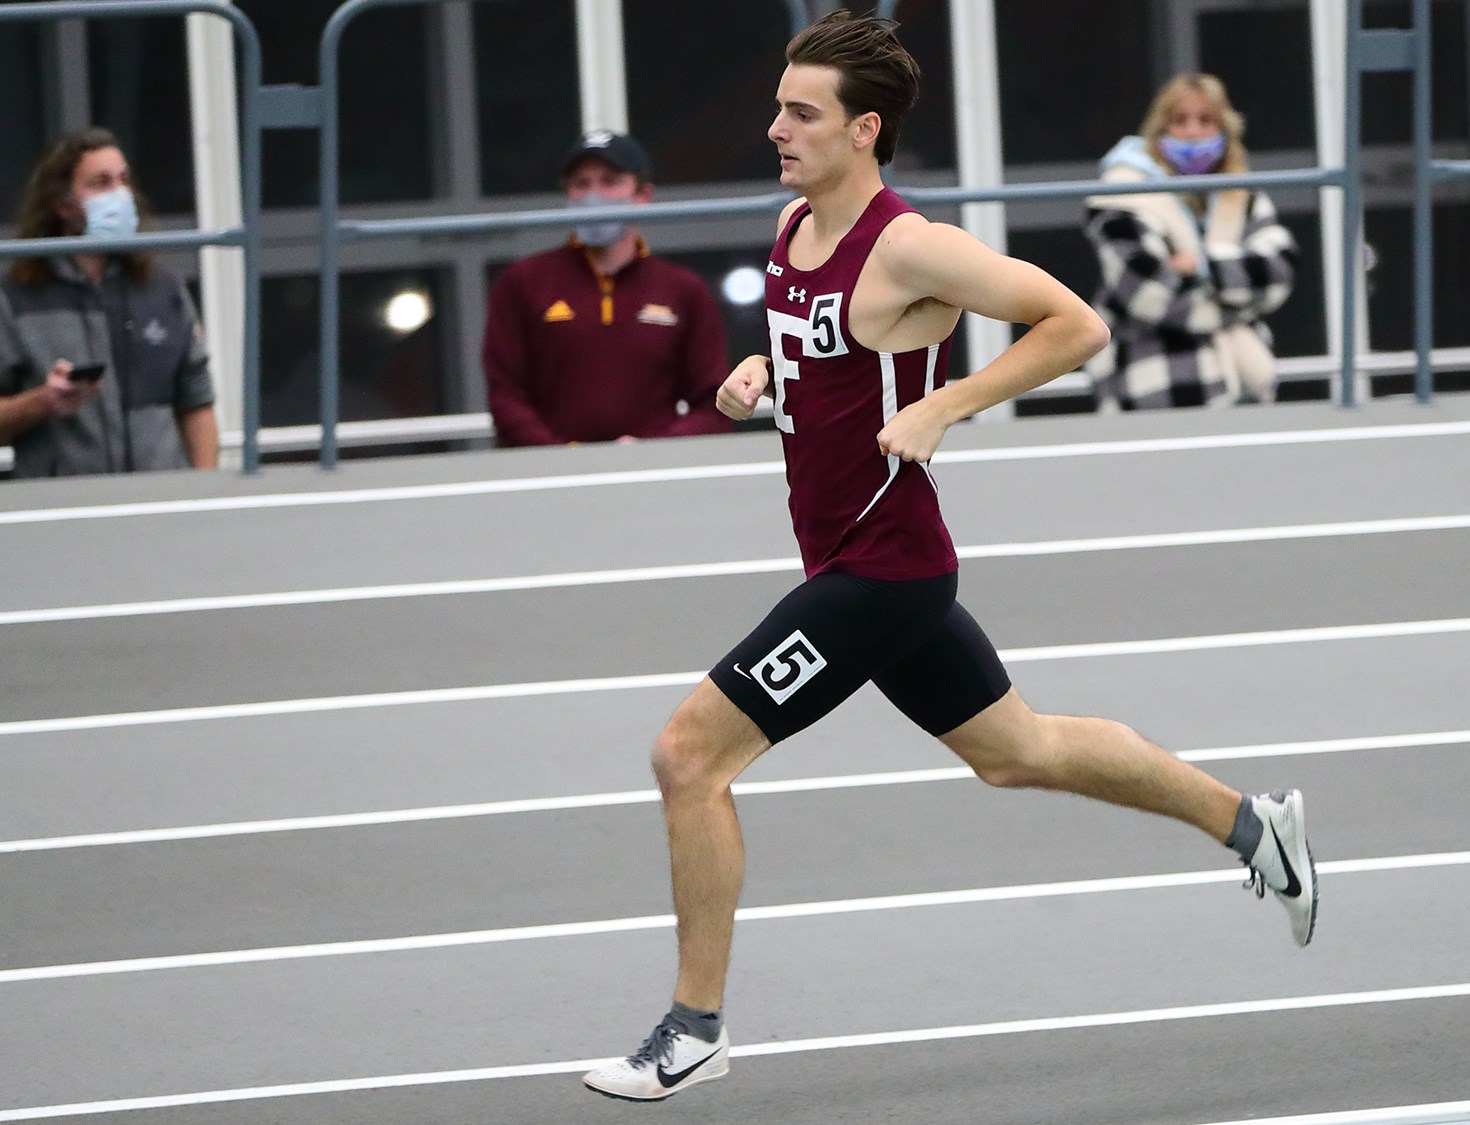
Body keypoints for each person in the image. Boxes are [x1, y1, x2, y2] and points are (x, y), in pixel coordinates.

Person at [581, 11, 1320, 1103]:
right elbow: (823, 366)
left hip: (880, 569)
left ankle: (693, 1027)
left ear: (863, 129)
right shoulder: (793, 230)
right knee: (1016, 750)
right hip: (863, 562)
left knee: (688, 757)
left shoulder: (907, 243)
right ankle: (1252, 825)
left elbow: (1072, 324)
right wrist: (758, 379)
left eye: (801, 112)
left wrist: (947, 403)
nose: (774, 128)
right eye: (778, 106)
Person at [482, 130, 730, 446]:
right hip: (548, 480)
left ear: (643, 195)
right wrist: (561, 457)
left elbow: (716, 402)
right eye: (581, 184)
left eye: (610, 181)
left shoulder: (682, 290)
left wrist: (653, 451)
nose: (593, 196)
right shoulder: (524, 281)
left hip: (655, 479)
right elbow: (505, 395)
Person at [0, 127, 218, 478]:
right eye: (101, 182)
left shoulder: (162, 286)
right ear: (62, 204)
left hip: (159, 503)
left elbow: (196, 403)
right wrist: (42, 402)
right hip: (65, 511)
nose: (118, 194)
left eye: (123, 180)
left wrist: (206, 494)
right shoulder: (16, 296)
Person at [1082, 73, 1297, 410]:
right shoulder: (1119, 195)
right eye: (1180, 121)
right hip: (1148, 385)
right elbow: (1146, 293)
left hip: (1240, 388)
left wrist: (1202, 265)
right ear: (1160, 129)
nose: (1194, 132)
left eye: (1206, 120)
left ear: (1225, 129)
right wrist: (1236, 301)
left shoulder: (1244, 193)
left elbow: (1278, 272)